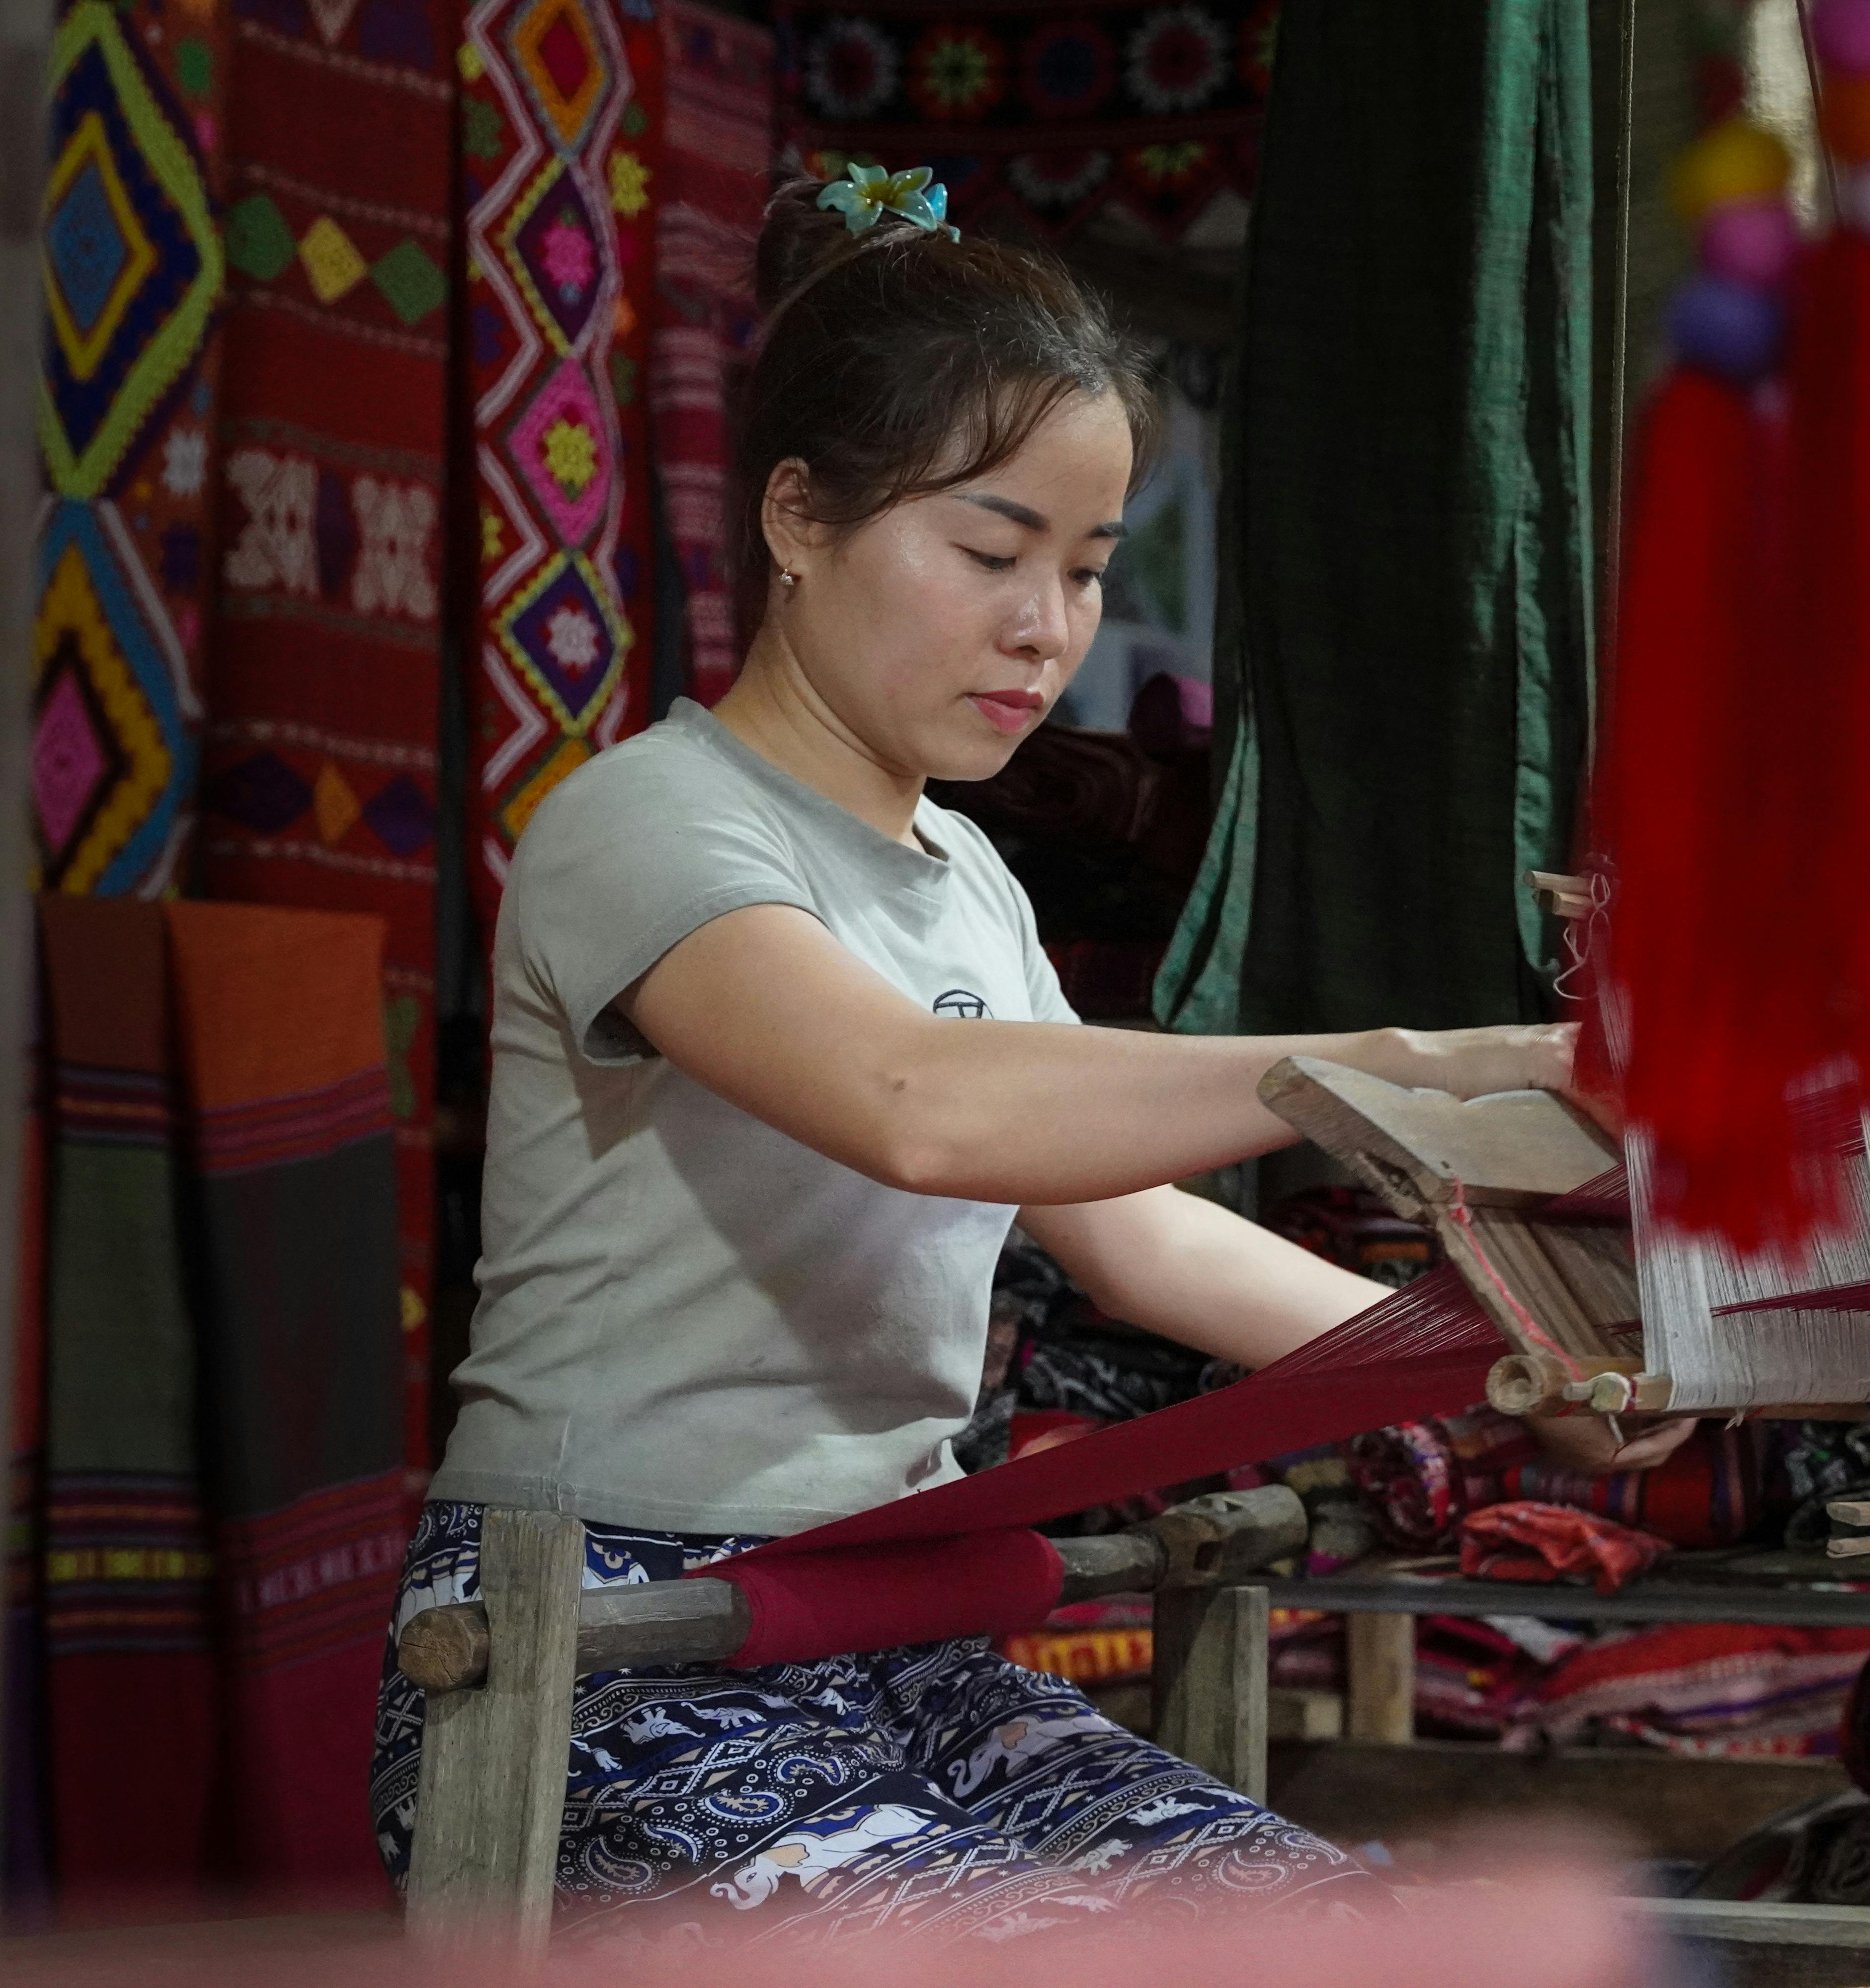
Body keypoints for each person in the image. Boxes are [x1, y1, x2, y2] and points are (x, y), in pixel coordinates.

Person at [370, 169, 1686, 1947]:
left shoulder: (970, 879)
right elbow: (917, 1107)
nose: (1045, 630)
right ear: (796, 518)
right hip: (603, 1660)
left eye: (1084, 569)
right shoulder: (651, 828)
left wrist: (1523, 1359)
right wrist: (1421, 1059)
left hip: (882, 1634)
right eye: (989, 555)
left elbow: (1139, 1238)